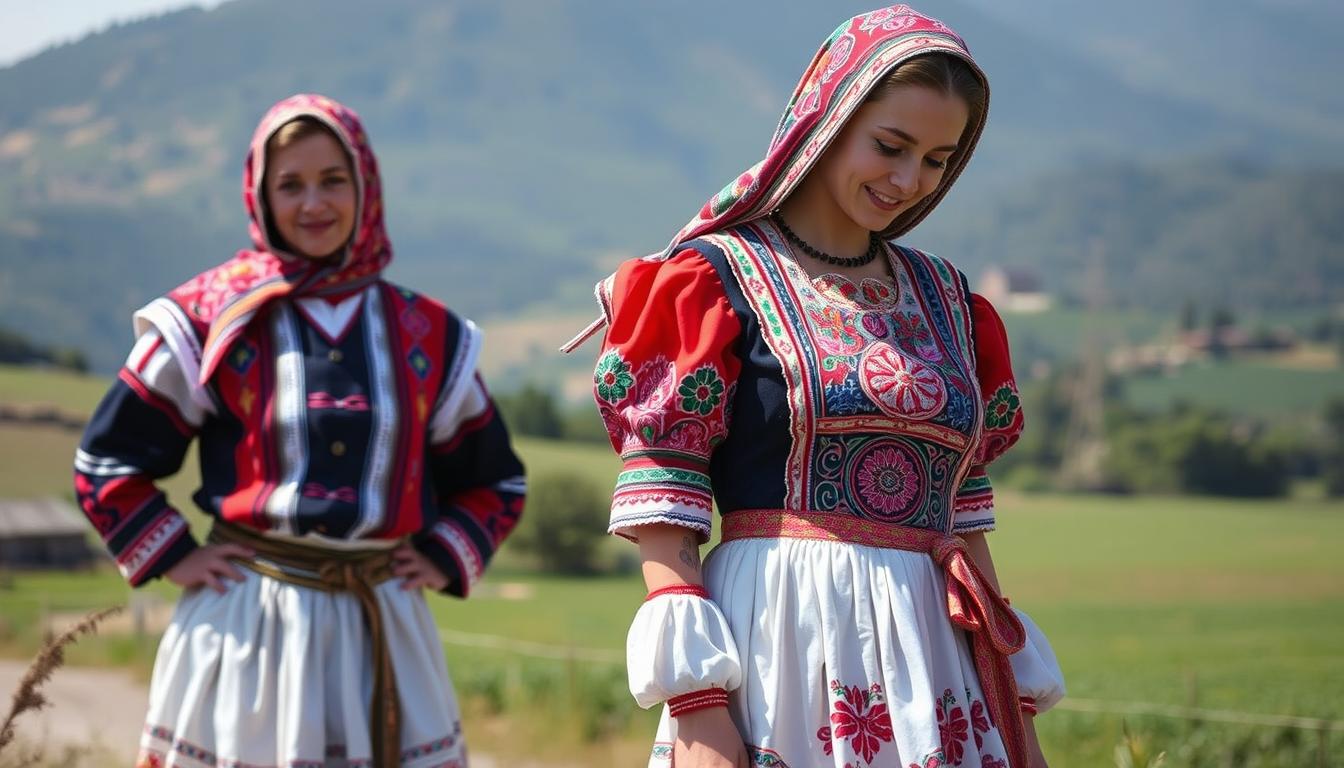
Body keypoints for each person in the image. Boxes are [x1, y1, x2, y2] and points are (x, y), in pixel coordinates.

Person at [569, 6, 1064, 767]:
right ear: (827, 120)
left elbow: (966, 517)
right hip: (782, 642)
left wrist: (1014, 709)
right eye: (890, 146)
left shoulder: (950, 301)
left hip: (937, 662)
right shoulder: (716, 280)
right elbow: (664, 502)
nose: (908, 181)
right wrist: (698, 707)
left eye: (937, 159)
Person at [74, 94, 525, 768]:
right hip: (250, 623)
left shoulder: (427, 333)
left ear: (366, 188)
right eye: (290, 185)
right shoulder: (210, 319)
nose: (313, 203)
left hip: (385, 629)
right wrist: (175, 555)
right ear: (260, 196)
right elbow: (107, 460)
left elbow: (497, 481)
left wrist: (440, 553)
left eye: (332, 180)